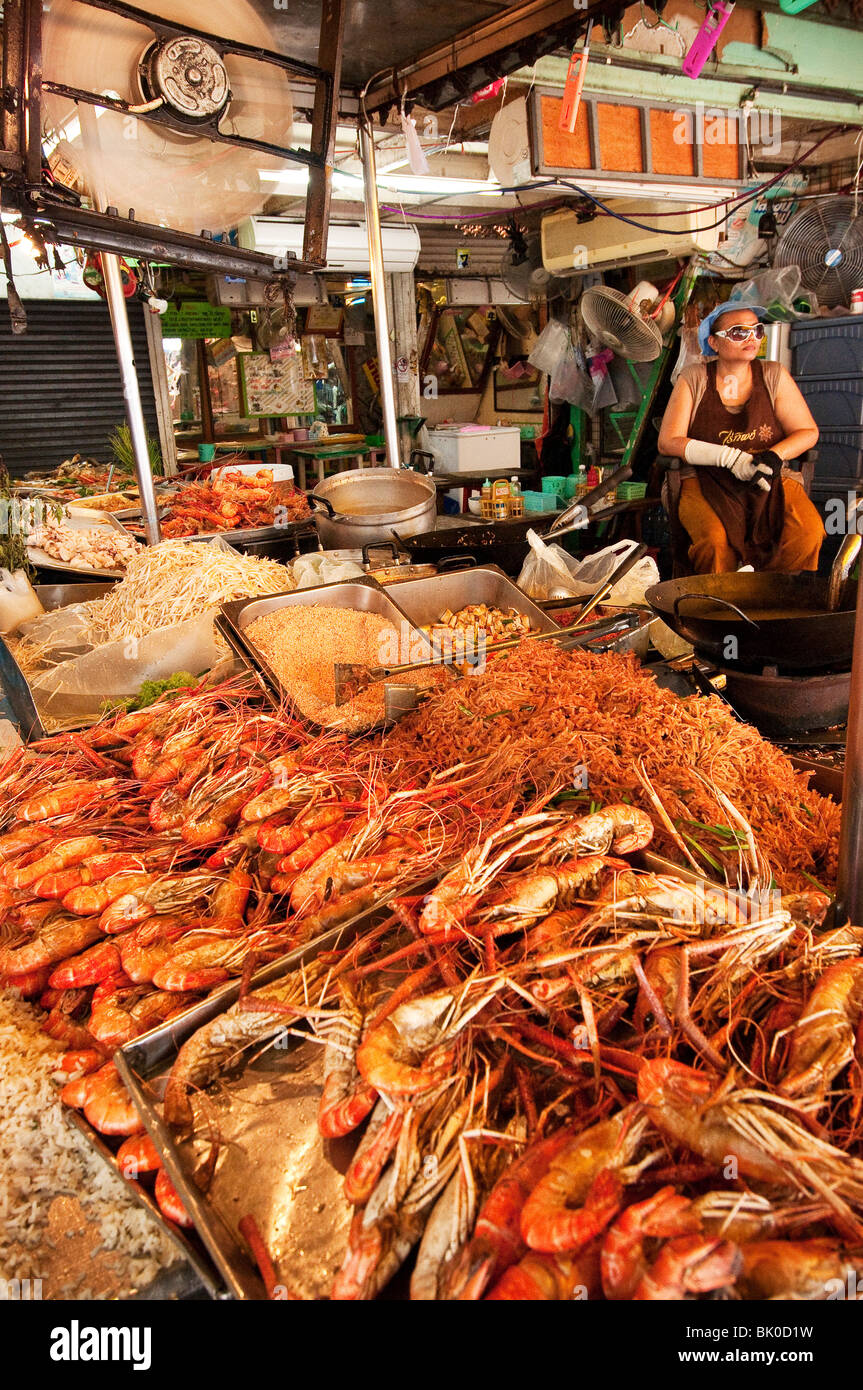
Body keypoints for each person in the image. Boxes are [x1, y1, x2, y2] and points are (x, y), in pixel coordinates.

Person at [657, 304, 824, 574]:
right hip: (703, 479)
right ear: (714, 342)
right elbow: (668, 441)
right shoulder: (694, 378)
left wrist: (772, 457)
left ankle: (767, 598)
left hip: (767, 477)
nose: (751, 338)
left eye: (757, 330)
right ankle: (717, 610)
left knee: (807, 533)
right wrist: (729, 457)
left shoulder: (774, 375)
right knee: (714, 543)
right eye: (738, 332)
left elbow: (807, 432)